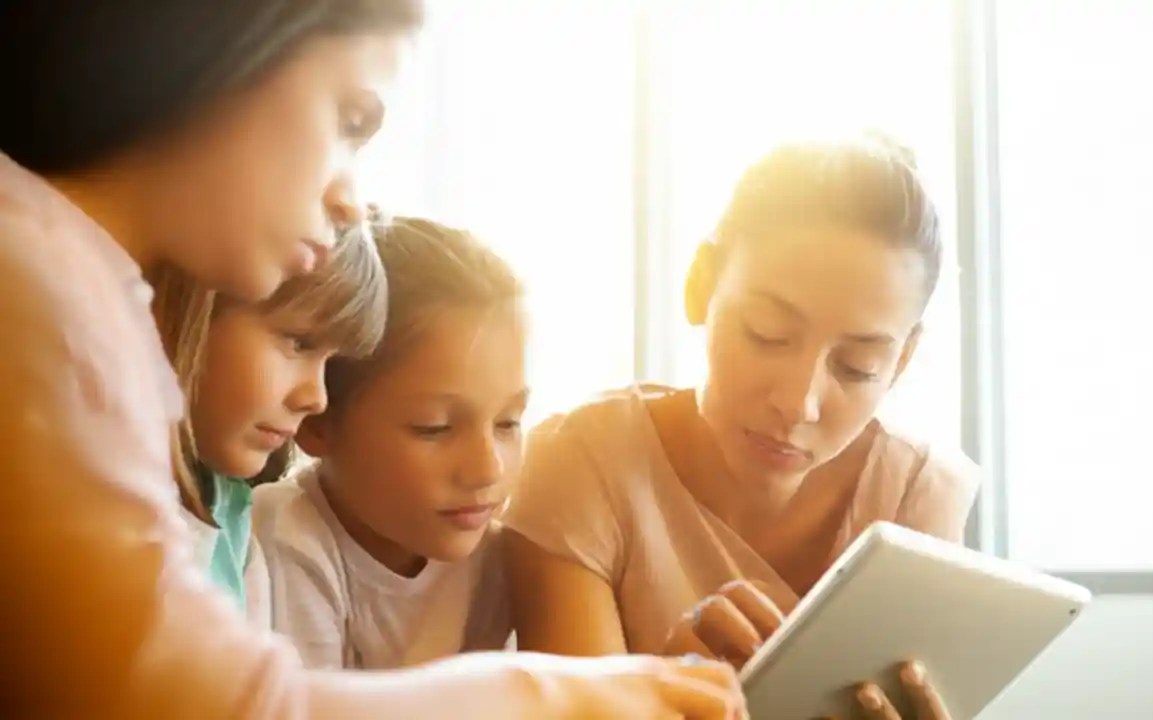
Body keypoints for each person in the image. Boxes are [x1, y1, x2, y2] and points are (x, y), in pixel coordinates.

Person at [0, 3, 742, 717]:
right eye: (349, 121)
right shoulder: (34, 292)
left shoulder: (75, 292)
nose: (353, 203)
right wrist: (545, 695)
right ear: (227, 44)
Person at [505, 138, 980, 718]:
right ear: (700, 286)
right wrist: (661, 698)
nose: (799, 404)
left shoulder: (914, 493)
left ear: (901, 361)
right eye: (767, 333)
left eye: (858, 367)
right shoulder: (583, 464)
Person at [255, 217, 520, 668]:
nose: (487, 469)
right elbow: (310, 701)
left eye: (508, 422)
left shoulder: (505, 550)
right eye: (434, 427)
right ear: (318, 423)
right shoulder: (287, 540)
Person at [153, 228, 387, 624]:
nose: (317, 398)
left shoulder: (229, 513)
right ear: (191, 307)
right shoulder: (81, 511)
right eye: (300, 343)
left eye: (330, 363)